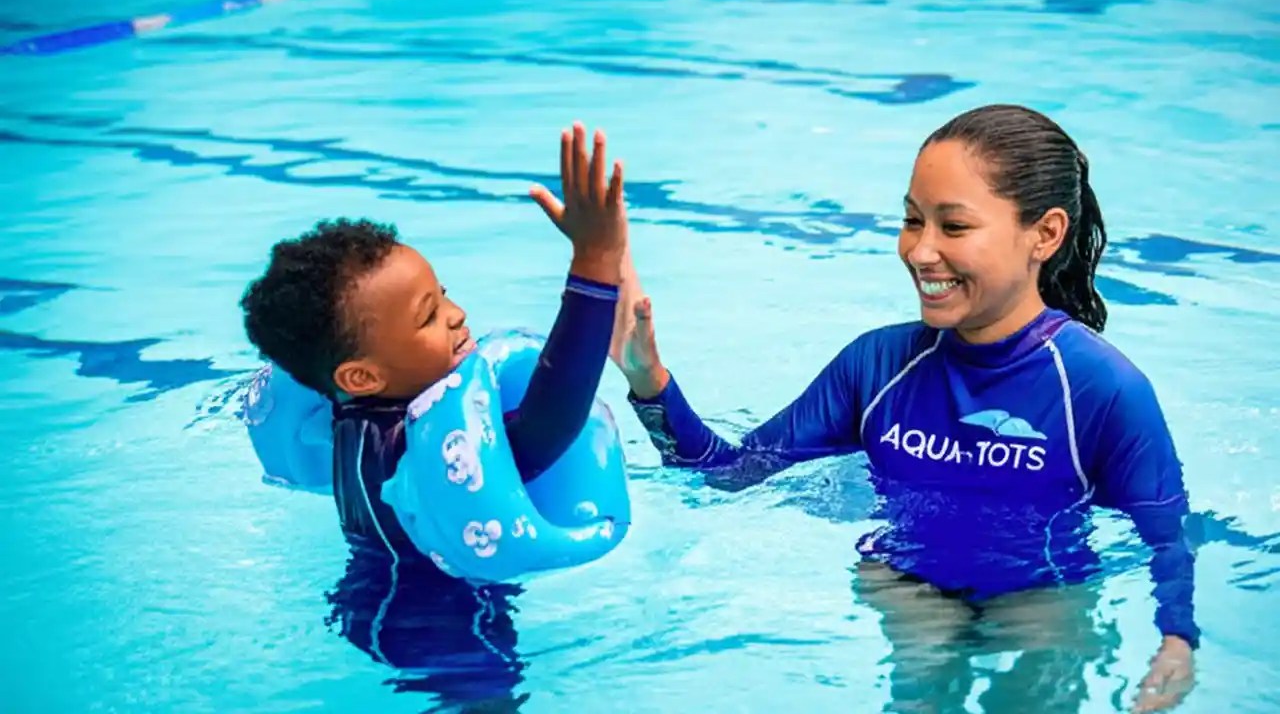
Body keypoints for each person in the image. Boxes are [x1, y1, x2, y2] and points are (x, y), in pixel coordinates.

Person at [611, 104, 1197, 713]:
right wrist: (647, 379)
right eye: (912, 220)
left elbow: (1166, 535)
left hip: (1043, 593)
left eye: (954, 227)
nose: (920, 251)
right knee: (924, 654)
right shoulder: (878, 367)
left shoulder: (1101, 389)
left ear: (1044, 235)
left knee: (1037, 663)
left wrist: (1177, 639)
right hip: (908, 585)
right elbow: (729, 475)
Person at [240, 121, 631, 560]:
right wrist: (594, 264)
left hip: (370, 602)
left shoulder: (346, 420)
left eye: (442, 296)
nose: (456, 315)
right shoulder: (404, 450)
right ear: (362, 376)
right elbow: (549, 424)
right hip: (444, 625)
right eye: (428, 316)